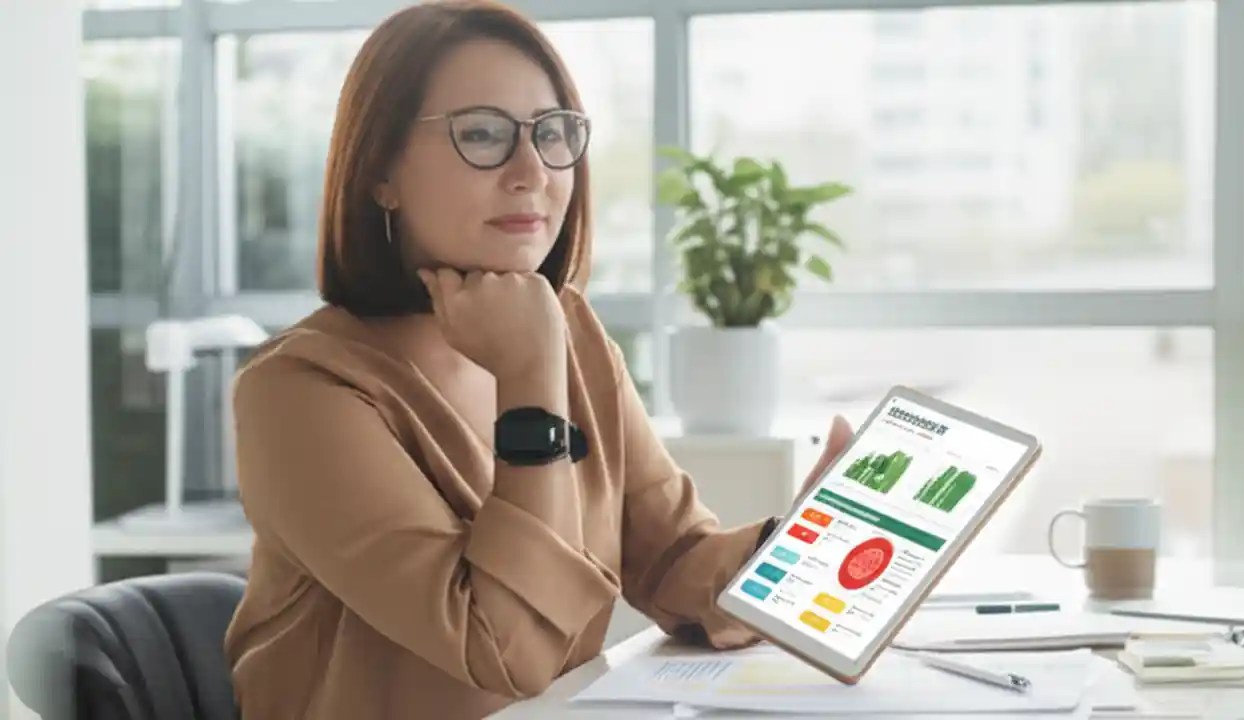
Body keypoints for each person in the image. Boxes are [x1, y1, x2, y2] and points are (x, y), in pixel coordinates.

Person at [224, 2, 853, 718]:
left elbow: (674, 560)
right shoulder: (300, 393)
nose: (533, 171)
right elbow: (505, 654)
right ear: (380, 171)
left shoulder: (572, 335)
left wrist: (806, 541)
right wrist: (529, 379)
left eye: (552, 135)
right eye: (484, 135)